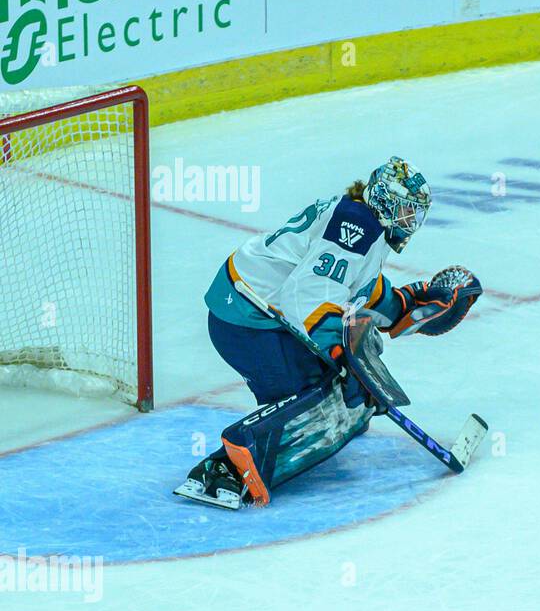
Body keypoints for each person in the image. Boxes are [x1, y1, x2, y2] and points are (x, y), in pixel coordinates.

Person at [175, 156, 480, 509]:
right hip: (244, 319)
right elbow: (306, 299)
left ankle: (328, 421)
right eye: (406, 212)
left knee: (346, 374)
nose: (411, 223)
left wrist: (407, 306)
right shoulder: (358, 224)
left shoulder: (364, 224)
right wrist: (346, 363)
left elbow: (357, 288)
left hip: (253, 313)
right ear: (384, 200)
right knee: (322, 386)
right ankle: (227, 465)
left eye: (416, 215)